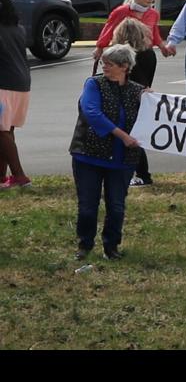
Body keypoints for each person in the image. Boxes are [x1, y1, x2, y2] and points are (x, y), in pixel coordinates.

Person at [69, 45, 147, 260]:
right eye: (104, 63)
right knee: (87, 205)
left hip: (122, 159)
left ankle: (111, 247)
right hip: (89, 154)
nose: (104, 67)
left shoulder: (137, 91)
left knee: (116, 206)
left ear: (124, 67)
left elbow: (156, 115)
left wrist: (152, 100)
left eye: (109, 64)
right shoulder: (94, 84)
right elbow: (92, 113)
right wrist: (123, 136)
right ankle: (84, 244)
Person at [108, 18, 160, 186]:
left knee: (129, 137)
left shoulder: (125, 57)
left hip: (127, 97)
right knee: (133, 135)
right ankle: (139, 173)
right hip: (142, 96)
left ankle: (142, 174)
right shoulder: (149, 53)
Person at [93, 0, 173, 77]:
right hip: (124, 52)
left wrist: (163, 47)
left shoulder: (153, 13)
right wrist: (100, 47)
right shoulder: (121, 11)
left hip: (146, 51)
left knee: (145, 81)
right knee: (126, 79)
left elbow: (154, 33)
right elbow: (108, 29)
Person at [0, 0, 34, 189]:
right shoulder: (18, 29)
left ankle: (19, 175)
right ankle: (1, 178)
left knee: (2, 132)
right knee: (6, 131)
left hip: (3, 86)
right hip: (22, 84)